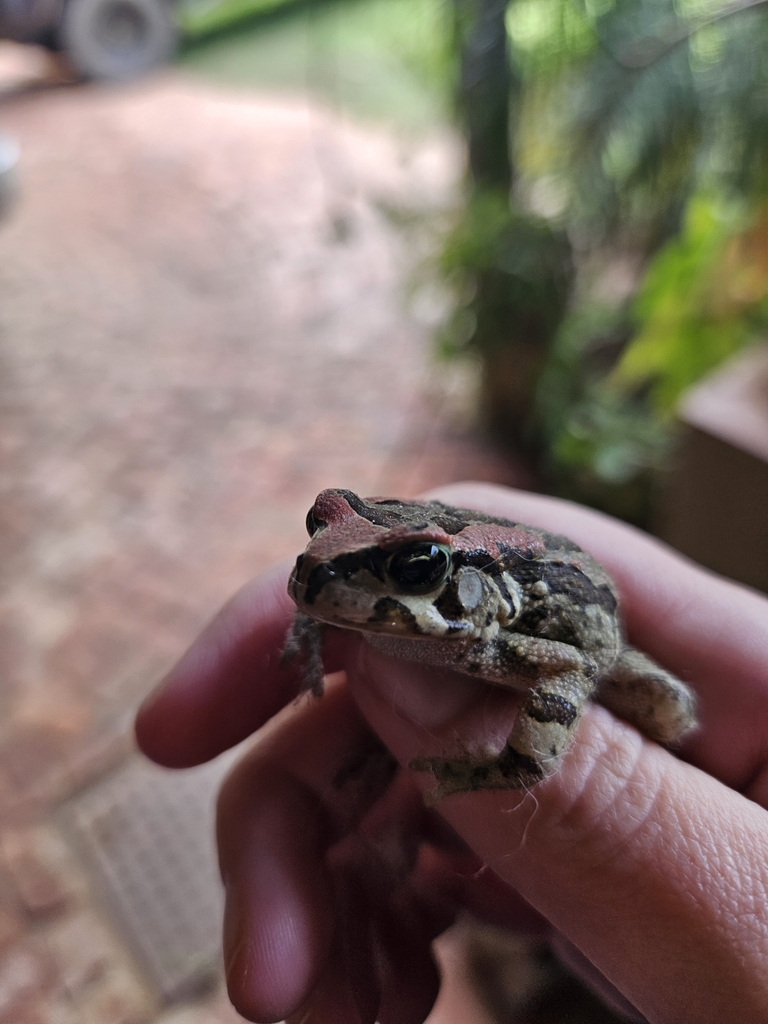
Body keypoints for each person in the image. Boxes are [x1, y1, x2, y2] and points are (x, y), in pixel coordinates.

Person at [135, 483, 768, 1024]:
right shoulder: (351, 582)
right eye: (317, 527)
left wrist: (512, 766)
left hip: (576, 631)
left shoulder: (491, 640)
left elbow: (570, 667)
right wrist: (315, 619)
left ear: (443, 575)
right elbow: (324, 579)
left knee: (670, 704)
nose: (311, 566)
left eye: (414, 569)